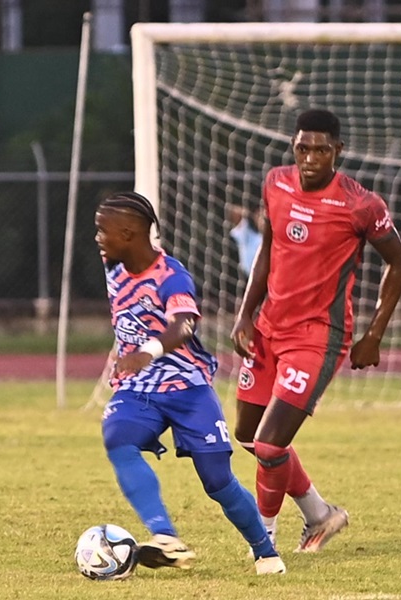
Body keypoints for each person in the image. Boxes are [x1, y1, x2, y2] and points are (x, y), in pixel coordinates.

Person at [231, 109, 401, 553]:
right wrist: (246, 312)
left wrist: (374, 335)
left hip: (318, 337)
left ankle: (263, 541)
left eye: (321, 149)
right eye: (303, 147)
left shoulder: (360, 205)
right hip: (269, 329)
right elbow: (268, 249)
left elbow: (399, 262)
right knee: (248, 437)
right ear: (293, 146)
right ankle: (319, 514)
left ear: (338, 152)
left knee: (271, 446)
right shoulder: (275, 182)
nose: (310, 157)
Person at [94, 191, 285, 575]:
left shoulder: (171, 276)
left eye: (104, 230)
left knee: (217, 481)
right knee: (117, 435)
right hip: (138, 389)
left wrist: (146, 351)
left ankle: (265, 551)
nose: (98, 237)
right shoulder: (114, 266)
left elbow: (184, 324)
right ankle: (164, 537)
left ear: (129, 234)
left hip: (188, 389)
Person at [227, 203, 264, 278]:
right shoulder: (246, 237)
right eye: (259, 216)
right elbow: (235, 213)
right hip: (256, 278)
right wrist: (248, 214)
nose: (261, 220)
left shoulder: (263, 237)